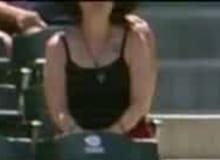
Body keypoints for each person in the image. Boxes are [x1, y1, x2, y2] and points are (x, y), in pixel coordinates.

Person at [42, 0, 156, 139]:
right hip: (74, 140)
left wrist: (111, 136)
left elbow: (140, 104)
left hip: (127, 138)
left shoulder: (133, 40)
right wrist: (81, 136)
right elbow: (58, 109)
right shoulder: (57, 46)